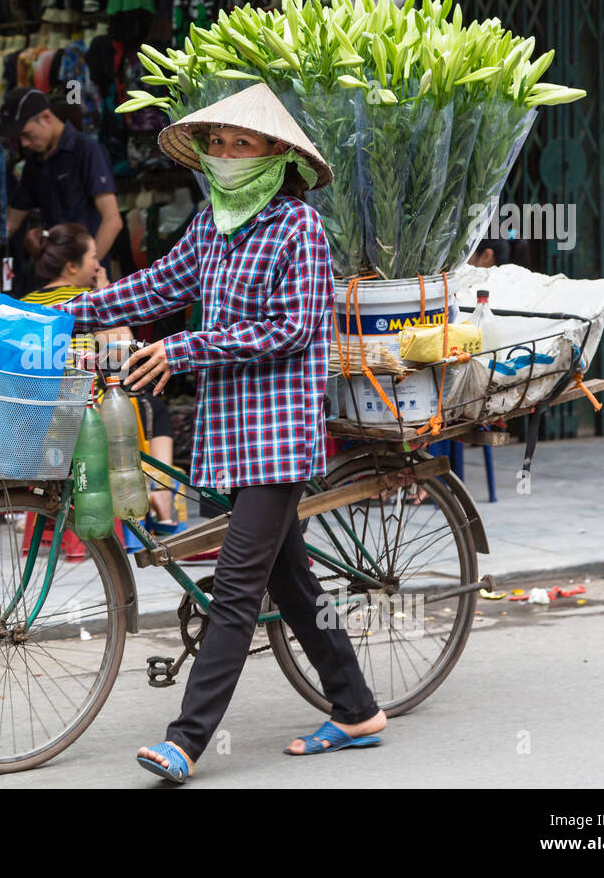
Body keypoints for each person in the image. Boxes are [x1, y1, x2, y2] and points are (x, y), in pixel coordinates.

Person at [50, 82, 386, 784]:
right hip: (233, 433)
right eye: (220, 144)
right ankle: (355, 706)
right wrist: (63, 312)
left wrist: (183, 350)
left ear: (275, 154)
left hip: (280, 433)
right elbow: (157, 287)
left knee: (236, 588)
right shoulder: (212, 222)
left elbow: (292, 329)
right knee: (291, 580)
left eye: (244, 143)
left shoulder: (298, 228)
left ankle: (187, 738)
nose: (228, 155)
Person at [21, 222, 178, 522]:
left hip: (39, 417)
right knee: (153, 406)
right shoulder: (89, 304)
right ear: (71, 265)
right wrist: (105, 291)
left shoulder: (28, 302)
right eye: (93, 257)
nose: (97, 264)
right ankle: (162, 502)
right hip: (82, 416)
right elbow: (123, 356)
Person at [0, 87, 124, 287]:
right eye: (19, 138)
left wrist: (88, 270)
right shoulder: (34, 161)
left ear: (46, 117)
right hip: (52, 279)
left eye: (27, 134)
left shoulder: (87, 150)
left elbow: (113, 221)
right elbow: (12, 222)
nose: (24, 143)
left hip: (87, 281)